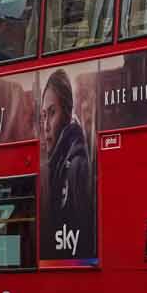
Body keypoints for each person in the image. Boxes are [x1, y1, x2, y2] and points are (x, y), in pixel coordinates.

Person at [39, 68, 96, 260]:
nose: (46, 126)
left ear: (67, 112)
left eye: (52, 113)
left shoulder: (76, 164)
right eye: (43, 115)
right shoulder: (56, 165)